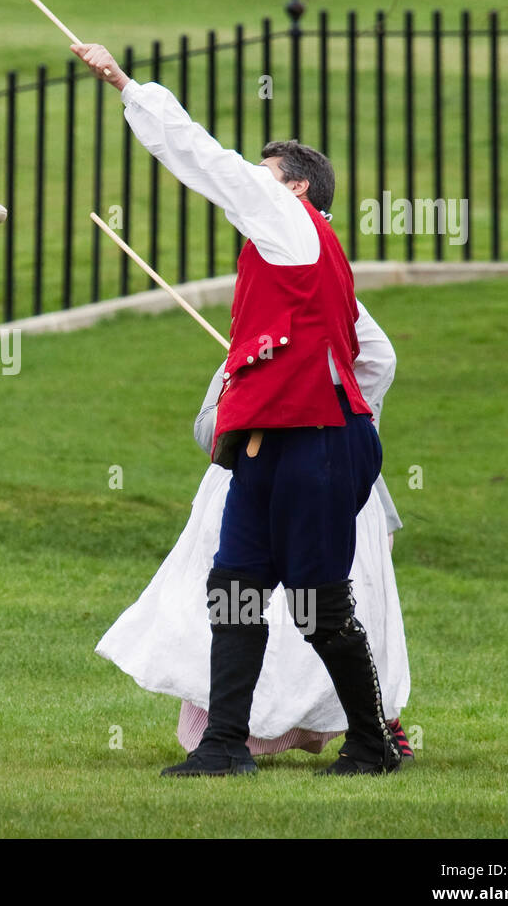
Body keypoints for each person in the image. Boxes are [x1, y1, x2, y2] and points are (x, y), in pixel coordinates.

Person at [73, 40, 402, 776]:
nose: (248, 185)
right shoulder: (282, 243)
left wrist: (129, 87)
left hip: (318, 441)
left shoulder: (293, 228)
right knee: (236, 587)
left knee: (318, 602)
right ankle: (223, 743)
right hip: (266, 444)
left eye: (264, 178)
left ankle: (373, 742)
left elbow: (207, 162)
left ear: (292, 191)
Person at [96, 300, 414, 763]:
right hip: (248, 493)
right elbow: (207, 429)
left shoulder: (349, 342)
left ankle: (376, 728)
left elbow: (378, 373)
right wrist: (244, 401)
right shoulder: (249, 345)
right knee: (233, 601)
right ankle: (224, 739)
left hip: (331, 499)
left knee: (328, 613)